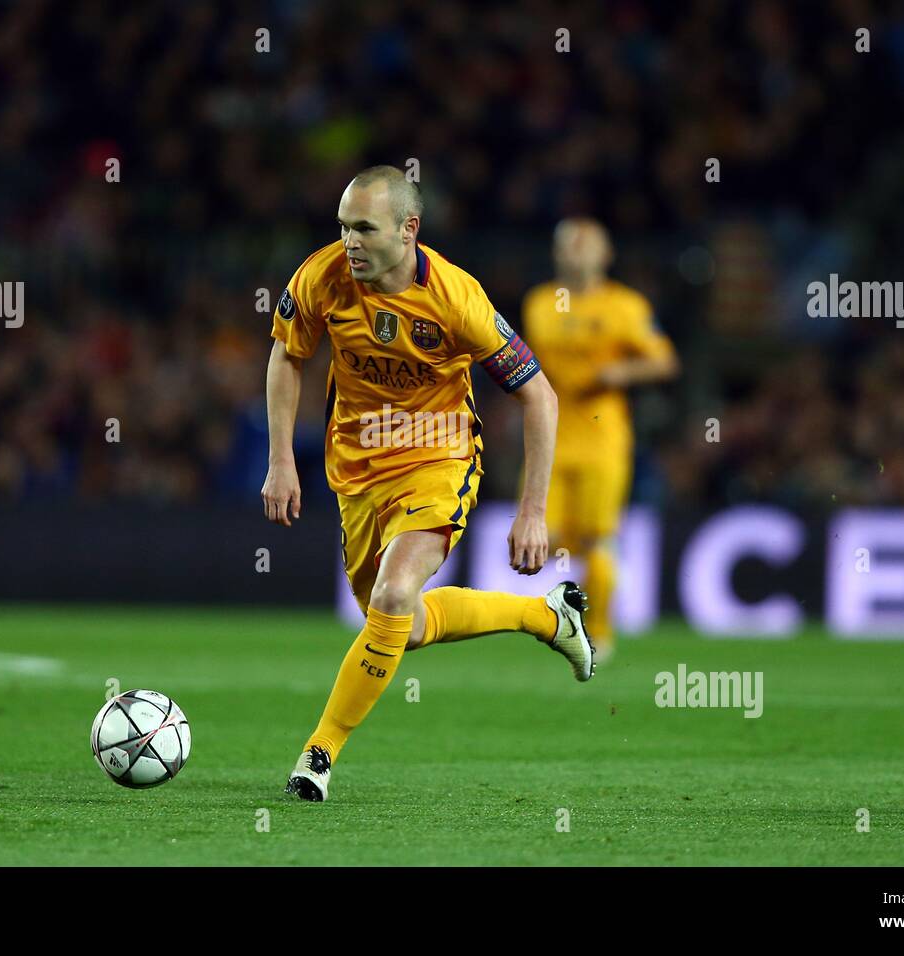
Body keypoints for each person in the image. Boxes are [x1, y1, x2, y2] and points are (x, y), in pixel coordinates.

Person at [262, 166, 595, 802]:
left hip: (437, 459)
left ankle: (318, 755)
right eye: (342, 227)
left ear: (409, 229)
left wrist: (532, 510)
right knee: (400, 626)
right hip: (356, 469)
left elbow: (539, 396)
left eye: (363, 228)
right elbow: (287, 355)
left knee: (391, 594)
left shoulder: (456, 299)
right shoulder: (320, 277)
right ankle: (546, 617)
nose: (349, 242)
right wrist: (282, 460)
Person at [522, 219, 679, 658]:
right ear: (556, 254)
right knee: (544, 538)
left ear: (606, 254)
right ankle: (569, 606)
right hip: (549, 440)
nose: (575, 250)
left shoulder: (625, 306)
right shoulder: (539, 304)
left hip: (603, 439)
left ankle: (600, 634)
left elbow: (664, 361)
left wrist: (622, 372)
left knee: (599, 539)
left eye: (584, 243)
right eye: (566, 243)